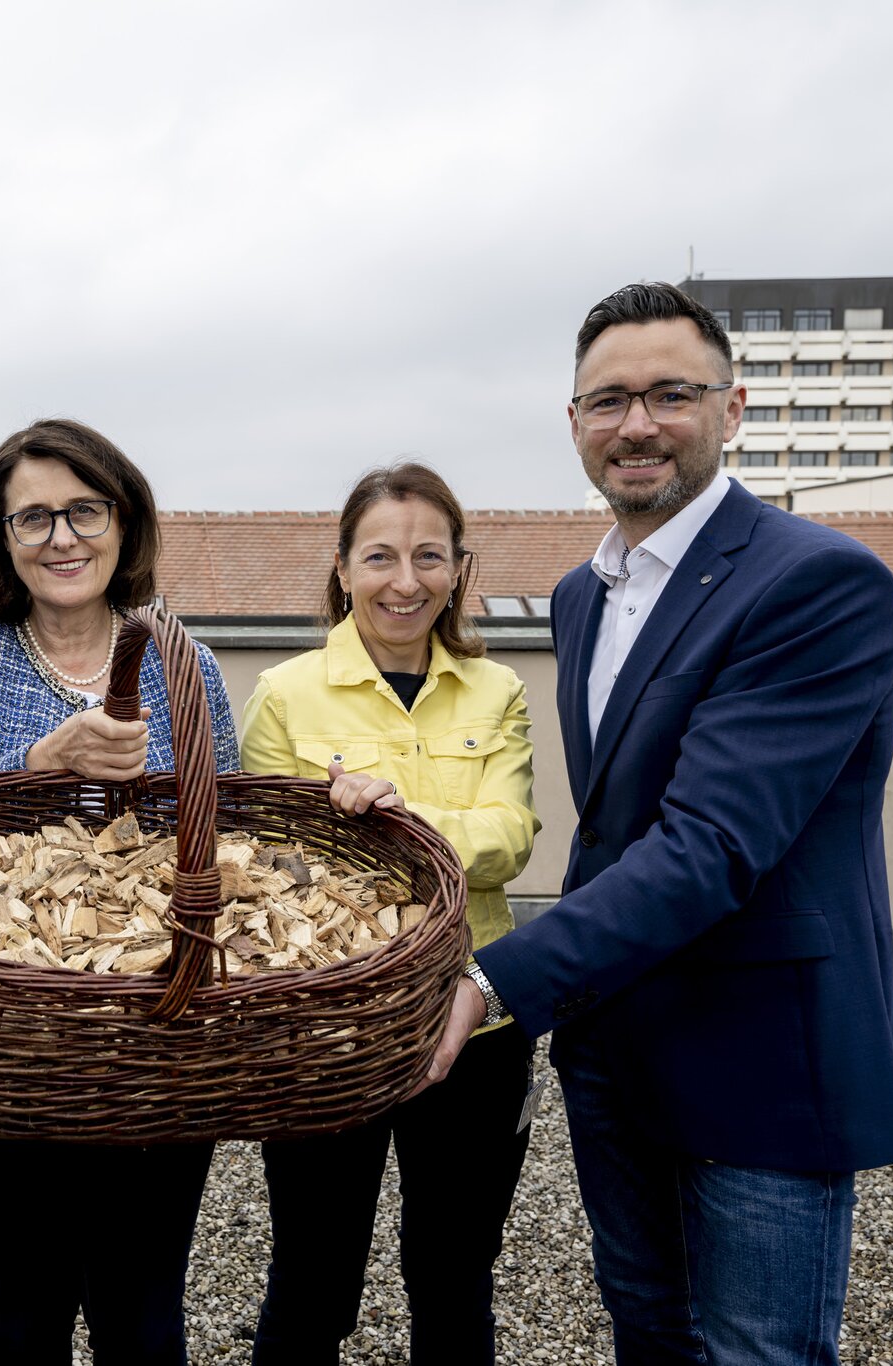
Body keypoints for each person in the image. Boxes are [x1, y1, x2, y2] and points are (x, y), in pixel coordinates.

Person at [428, 282, 893, 1365]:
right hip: (617, 1054)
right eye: (606, 400)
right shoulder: (576, 596)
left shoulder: (815, 581)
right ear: (572, 424)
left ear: (729, 407)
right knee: (644, 1333)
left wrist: (493, 980)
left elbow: (709, 844)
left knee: (752, 1351)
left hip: (757, 1061)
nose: (634, 424)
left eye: (667, 394)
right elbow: (610, 827)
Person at [0, 417, 240, 1365]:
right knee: (21, 1300)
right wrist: (36, 766)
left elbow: (228, 836)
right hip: (2, 1041)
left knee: (143, 1306)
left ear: (124, 521)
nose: (62, 539)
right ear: (1, 538)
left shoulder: (188, 665)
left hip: (158, 1032)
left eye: (85, 511)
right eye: (34, 518)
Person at [238, 462, 540, 1364]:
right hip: (327, 1031)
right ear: (341, 567)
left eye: (428, 557)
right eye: (379, 556)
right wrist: (432, 835)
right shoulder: (287, 695)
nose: (404, 581)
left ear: (459, 569)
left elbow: (513, 836)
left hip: (477, 1016)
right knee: (312, 1280)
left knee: (454, 1277)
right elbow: (268, 870)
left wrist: (395, 817)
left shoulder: (499, 692)